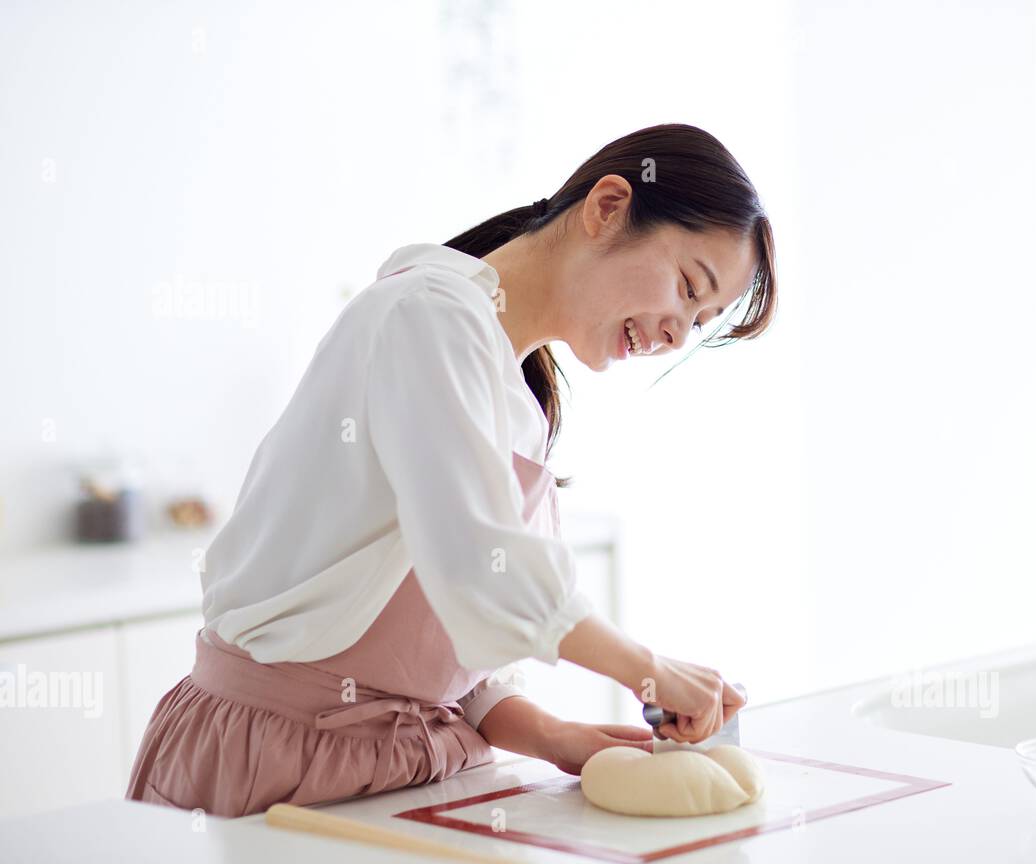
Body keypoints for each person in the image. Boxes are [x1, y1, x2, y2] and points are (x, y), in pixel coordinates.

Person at [126, 123, 779, 817]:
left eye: (700, 321)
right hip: (273, 763)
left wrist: (556, 737)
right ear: (608, 206)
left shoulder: (516, 395)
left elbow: (452, 649)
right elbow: (482, 567)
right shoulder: (426, 318)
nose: (678, 333)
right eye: (687, 286)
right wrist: (649, 670)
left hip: (405, 772)